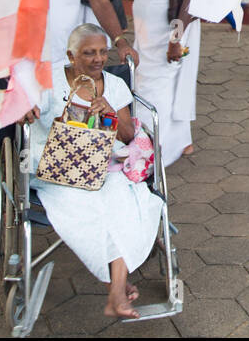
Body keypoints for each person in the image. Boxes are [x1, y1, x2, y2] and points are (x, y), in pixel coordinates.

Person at [23, 24, 164, 320]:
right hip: (57, 168)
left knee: (128, 201)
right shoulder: (47, 82)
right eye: (89, 53)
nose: (98, 59)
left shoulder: (113, 84)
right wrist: (25, 109)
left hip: (102, 166)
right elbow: (23, 110)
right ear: (71, 56)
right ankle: (116, 284)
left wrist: (109, 112)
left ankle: (115, 292)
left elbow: (127, 135)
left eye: (103, 51)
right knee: (85, 208)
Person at [133, 0, 199, 166]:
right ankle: (180, 142)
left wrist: (176, 39)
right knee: (163, 86)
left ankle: (152, 147)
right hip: (151, 38)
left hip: (167, 38)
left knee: (156, 88)